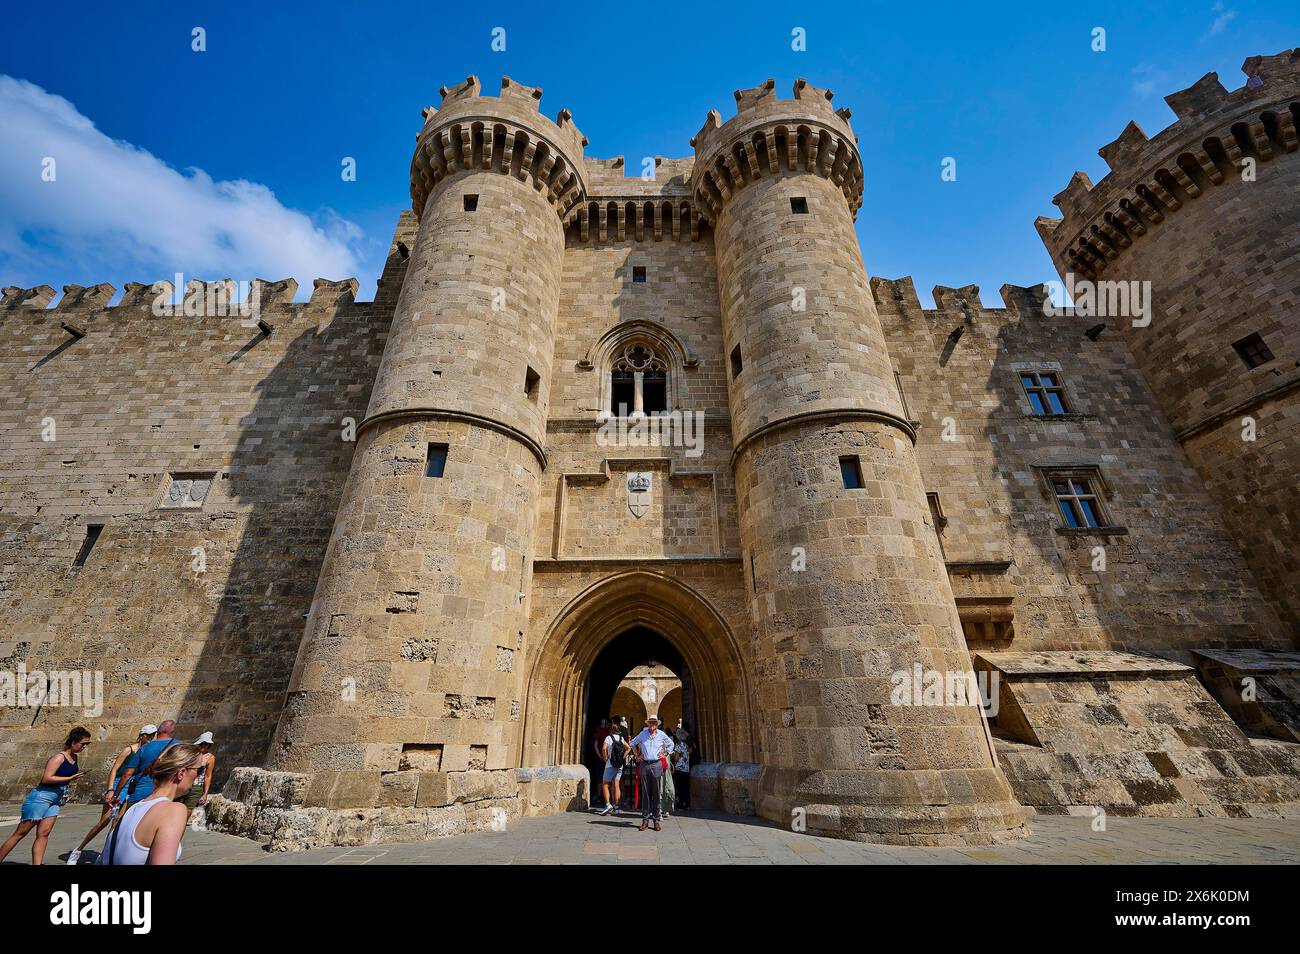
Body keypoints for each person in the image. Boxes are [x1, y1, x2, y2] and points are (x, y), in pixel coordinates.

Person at [66, 724, 156, 865]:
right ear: (142, 735)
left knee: (118, 824)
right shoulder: (129, 750)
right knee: (104, 821)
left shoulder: (147, 752)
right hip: (119, 784)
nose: (150, 738)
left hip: (132, 787)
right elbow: (114, 770)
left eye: (153, 735)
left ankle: (104, 856)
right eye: (148, 735)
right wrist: (110, 790)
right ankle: (78, 849)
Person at [0, 727, 91, 865]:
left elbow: (64, 778)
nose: (84, 746)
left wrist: (68, 786)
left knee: (44, 833)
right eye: (82, 743)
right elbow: (46, 778)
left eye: (87, 744)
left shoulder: (74, 758)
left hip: (55, 799)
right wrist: (70, 778)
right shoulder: (59, 757)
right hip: (41, 797)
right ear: (73, 742)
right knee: (21, 833)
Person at [102, 743, 204, 865]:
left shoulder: (134, 808)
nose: (198, 777)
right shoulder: (174, 810)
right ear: (181, 773)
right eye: (199, 770)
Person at [112, 719, 179, 807]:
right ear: (172, 732)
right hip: (167, 796)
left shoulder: (144, 748)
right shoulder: (180, 746)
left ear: (158, 732)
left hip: (140, 794)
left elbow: (127, 774)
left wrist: (116, 794)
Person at [627, 715, 673, 832]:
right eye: (650, 722)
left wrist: (666, 753)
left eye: (654, 723)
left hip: (657, 764)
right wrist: (637, 754)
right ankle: (645, 820)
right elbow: (632, 743)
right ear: (648, 724)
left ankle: (656, 820)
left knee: (656, 792)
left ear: (657, 724)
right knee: (646, 793)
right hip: (645, 764)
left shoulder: (662, 734)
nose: (652, 724)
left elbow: (671, 744)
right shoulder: (643, 734)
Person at [180, 731, 216, 813]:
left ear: (209, 745)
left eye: (206, 743)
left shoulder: (210, 758)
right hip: (184, 784)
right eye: (202, 743)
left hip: (196, 787)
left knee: (188, 810)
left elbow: (208, 776)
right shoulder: (191, 753)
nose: (203, 745)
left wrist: (205, 793)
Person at [597, 721, 627, 816]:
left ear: (611, 730)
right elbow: (629, 748)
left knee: (605, 784)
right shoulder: (621, 738)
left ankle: (607, 804)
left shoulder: (608, 738)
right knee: (616, 785)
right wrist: (623, 757)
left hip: (610, 764)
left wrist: (605, 757)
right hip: (619, 765)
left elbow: (603, 747)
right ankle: (617, 806)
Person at [672, 722, 693, 811]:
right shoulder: (687, 746)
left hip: (679, 769)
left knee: (680, 788)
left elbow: (676, 758)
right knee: (686, 787)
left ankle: (681, 805)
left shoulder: (678, 746)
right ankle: (687, 804)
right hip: (686, 769)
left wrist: (672, 756)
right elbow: (689, 753)